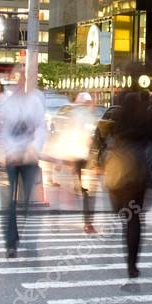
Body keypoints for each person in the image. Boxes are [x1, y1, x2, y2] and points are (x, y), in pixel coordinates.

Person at [92, 83, 152, 279]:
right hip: (138, 170)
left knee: (123, 214)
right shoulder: (147, 118)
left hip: (118, 169)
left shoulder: (115, 116)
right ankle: (132, 264)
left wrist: (98, 160)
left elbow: (101, 138)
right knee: (134, 219)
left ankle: (120, 210)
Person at [0, 65, 46, 258]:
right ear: (11, 78)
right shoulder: (4, 102)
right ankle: (11, 242)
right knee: (9, 201)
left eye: (22, 76)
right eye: (16, 76)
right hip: (10, 158)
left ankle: (27, 238)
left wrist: (33, 149)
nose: (19, 80)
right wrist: (4, 152)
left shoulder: (35, 101)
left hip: (28, 158)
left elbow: (41, 128)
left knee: (28, 201)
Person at [64, 91, 98, 233]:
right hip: (82, 156)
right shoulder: (82, 117)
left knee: (86, 192)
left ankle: (88, 221)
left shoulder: (81, 116)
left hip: (85, 157)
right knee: (87, 193)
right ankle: (88, 222)